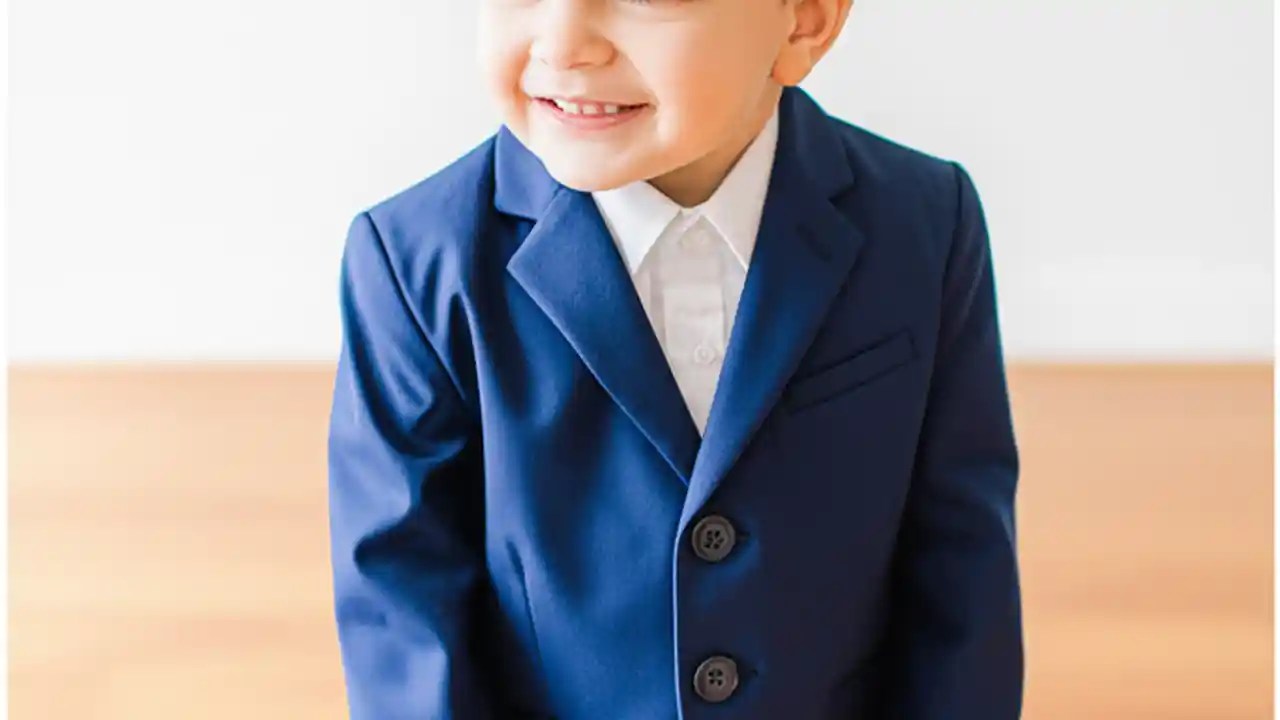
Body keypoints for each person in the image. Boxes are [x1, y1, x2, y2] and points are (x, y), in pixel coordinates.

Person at [326, 0, 1024, 717]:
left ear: (805, 20)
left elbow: (962, 572)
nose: (563, 45)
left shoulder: (926, 223)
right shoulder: (415, 262)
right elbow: (404, 617)